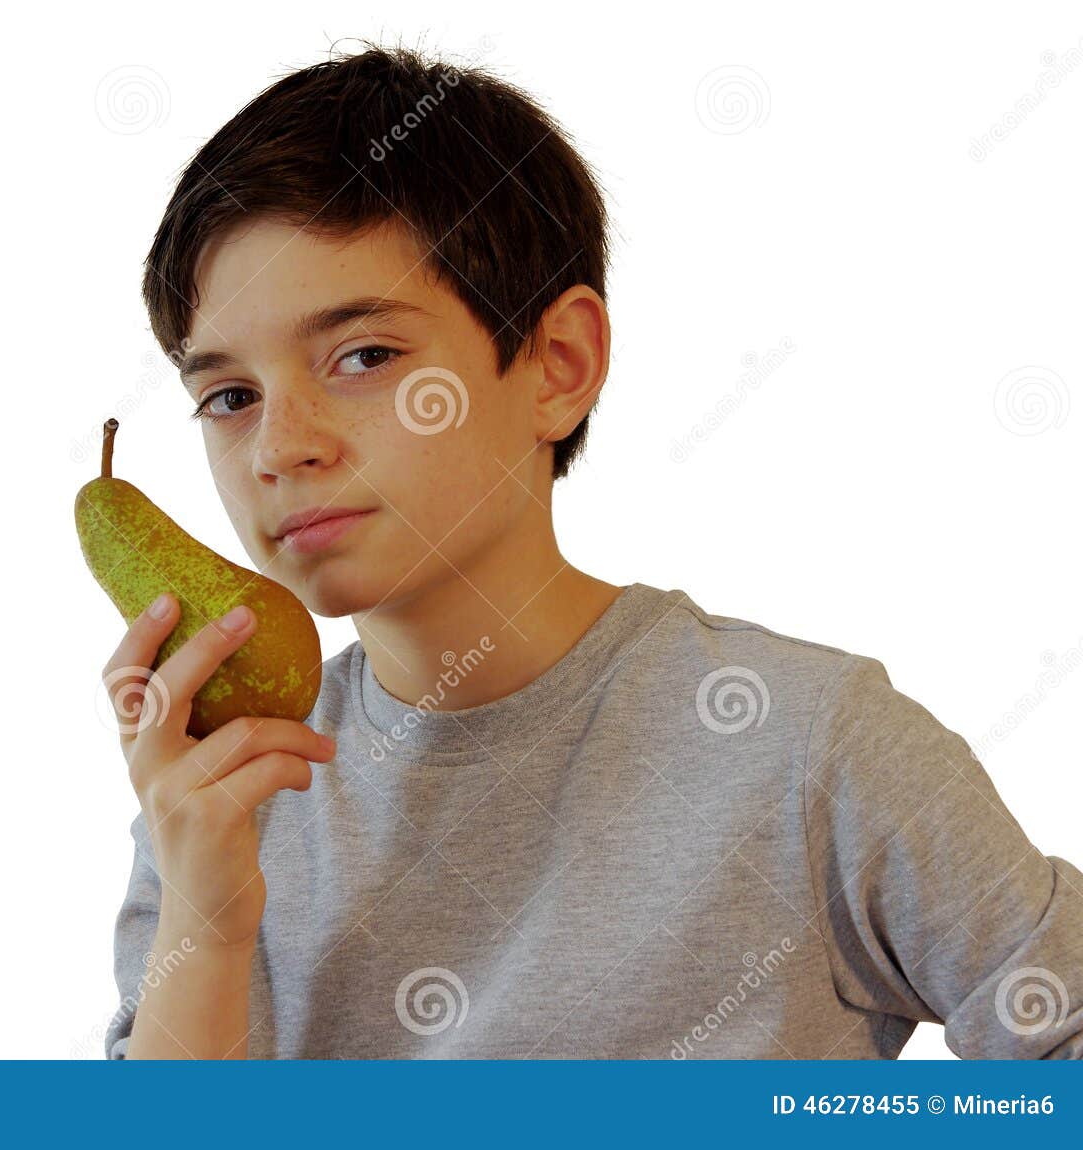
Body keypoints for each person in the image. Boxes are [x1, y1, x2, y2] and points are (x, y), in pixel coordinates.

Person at [98, 43, 1083, 1059]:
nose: (278, 446)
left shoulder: (807, 748)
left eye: (363, 356)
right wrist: (206, 924)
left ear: (557, 365)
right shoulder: (210, 807)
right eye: (228, 397)